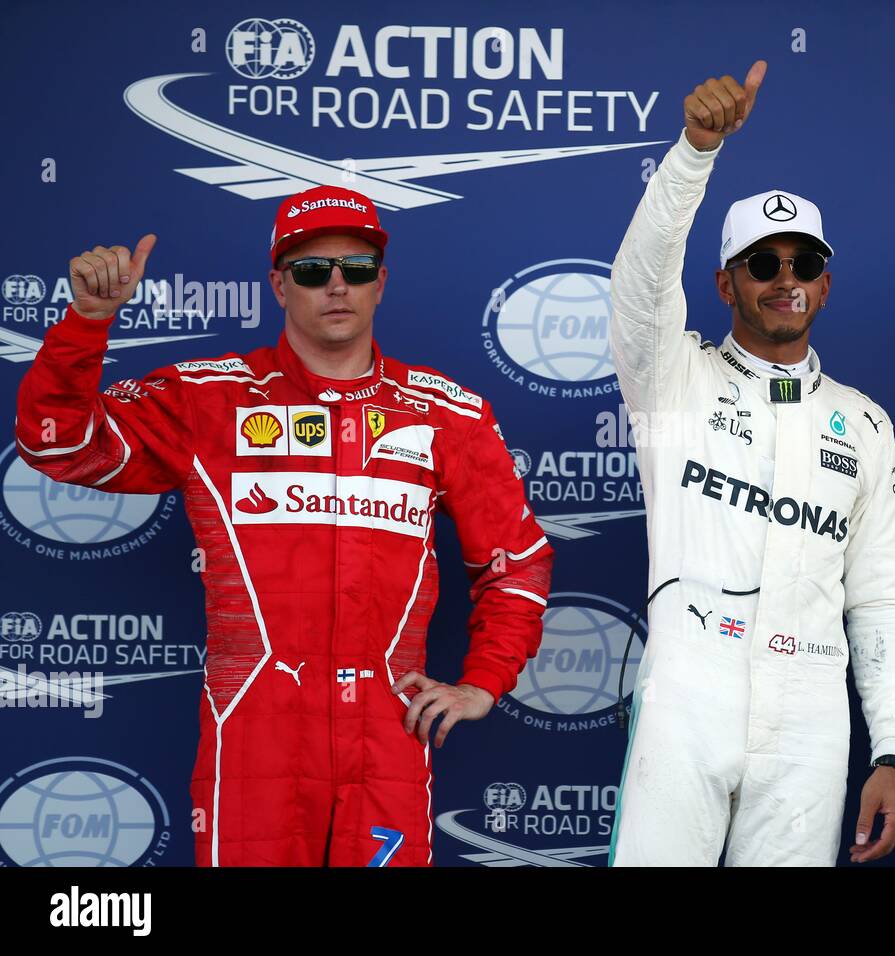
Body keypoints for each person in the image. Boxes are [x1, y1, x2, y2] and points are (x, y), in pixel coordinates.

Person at [15, 185, 554, 867]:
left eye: (356, 269)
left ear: (380, 284)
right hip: (253, 740)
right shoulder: (207, 399)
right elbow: (57, 443)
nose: (336, 286)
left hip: (385, 736)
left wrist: (484, 680)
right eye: (311, 270)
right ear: (278, 284)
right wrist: (88, 323)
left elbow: (518, 560)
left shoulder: (446, 412)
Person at [606, 62, 895, 867]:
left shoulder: (866, 423)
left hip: (810, 710)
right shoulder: (672, 376)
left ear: (825, 283)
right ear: (725, 283)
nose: (787, 280)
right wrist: (694, 155)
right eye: (764, 264)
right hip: (689, 693)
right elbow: (640, 287)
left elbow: (882, 596)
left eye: (804, 264)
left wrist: (894, 752)